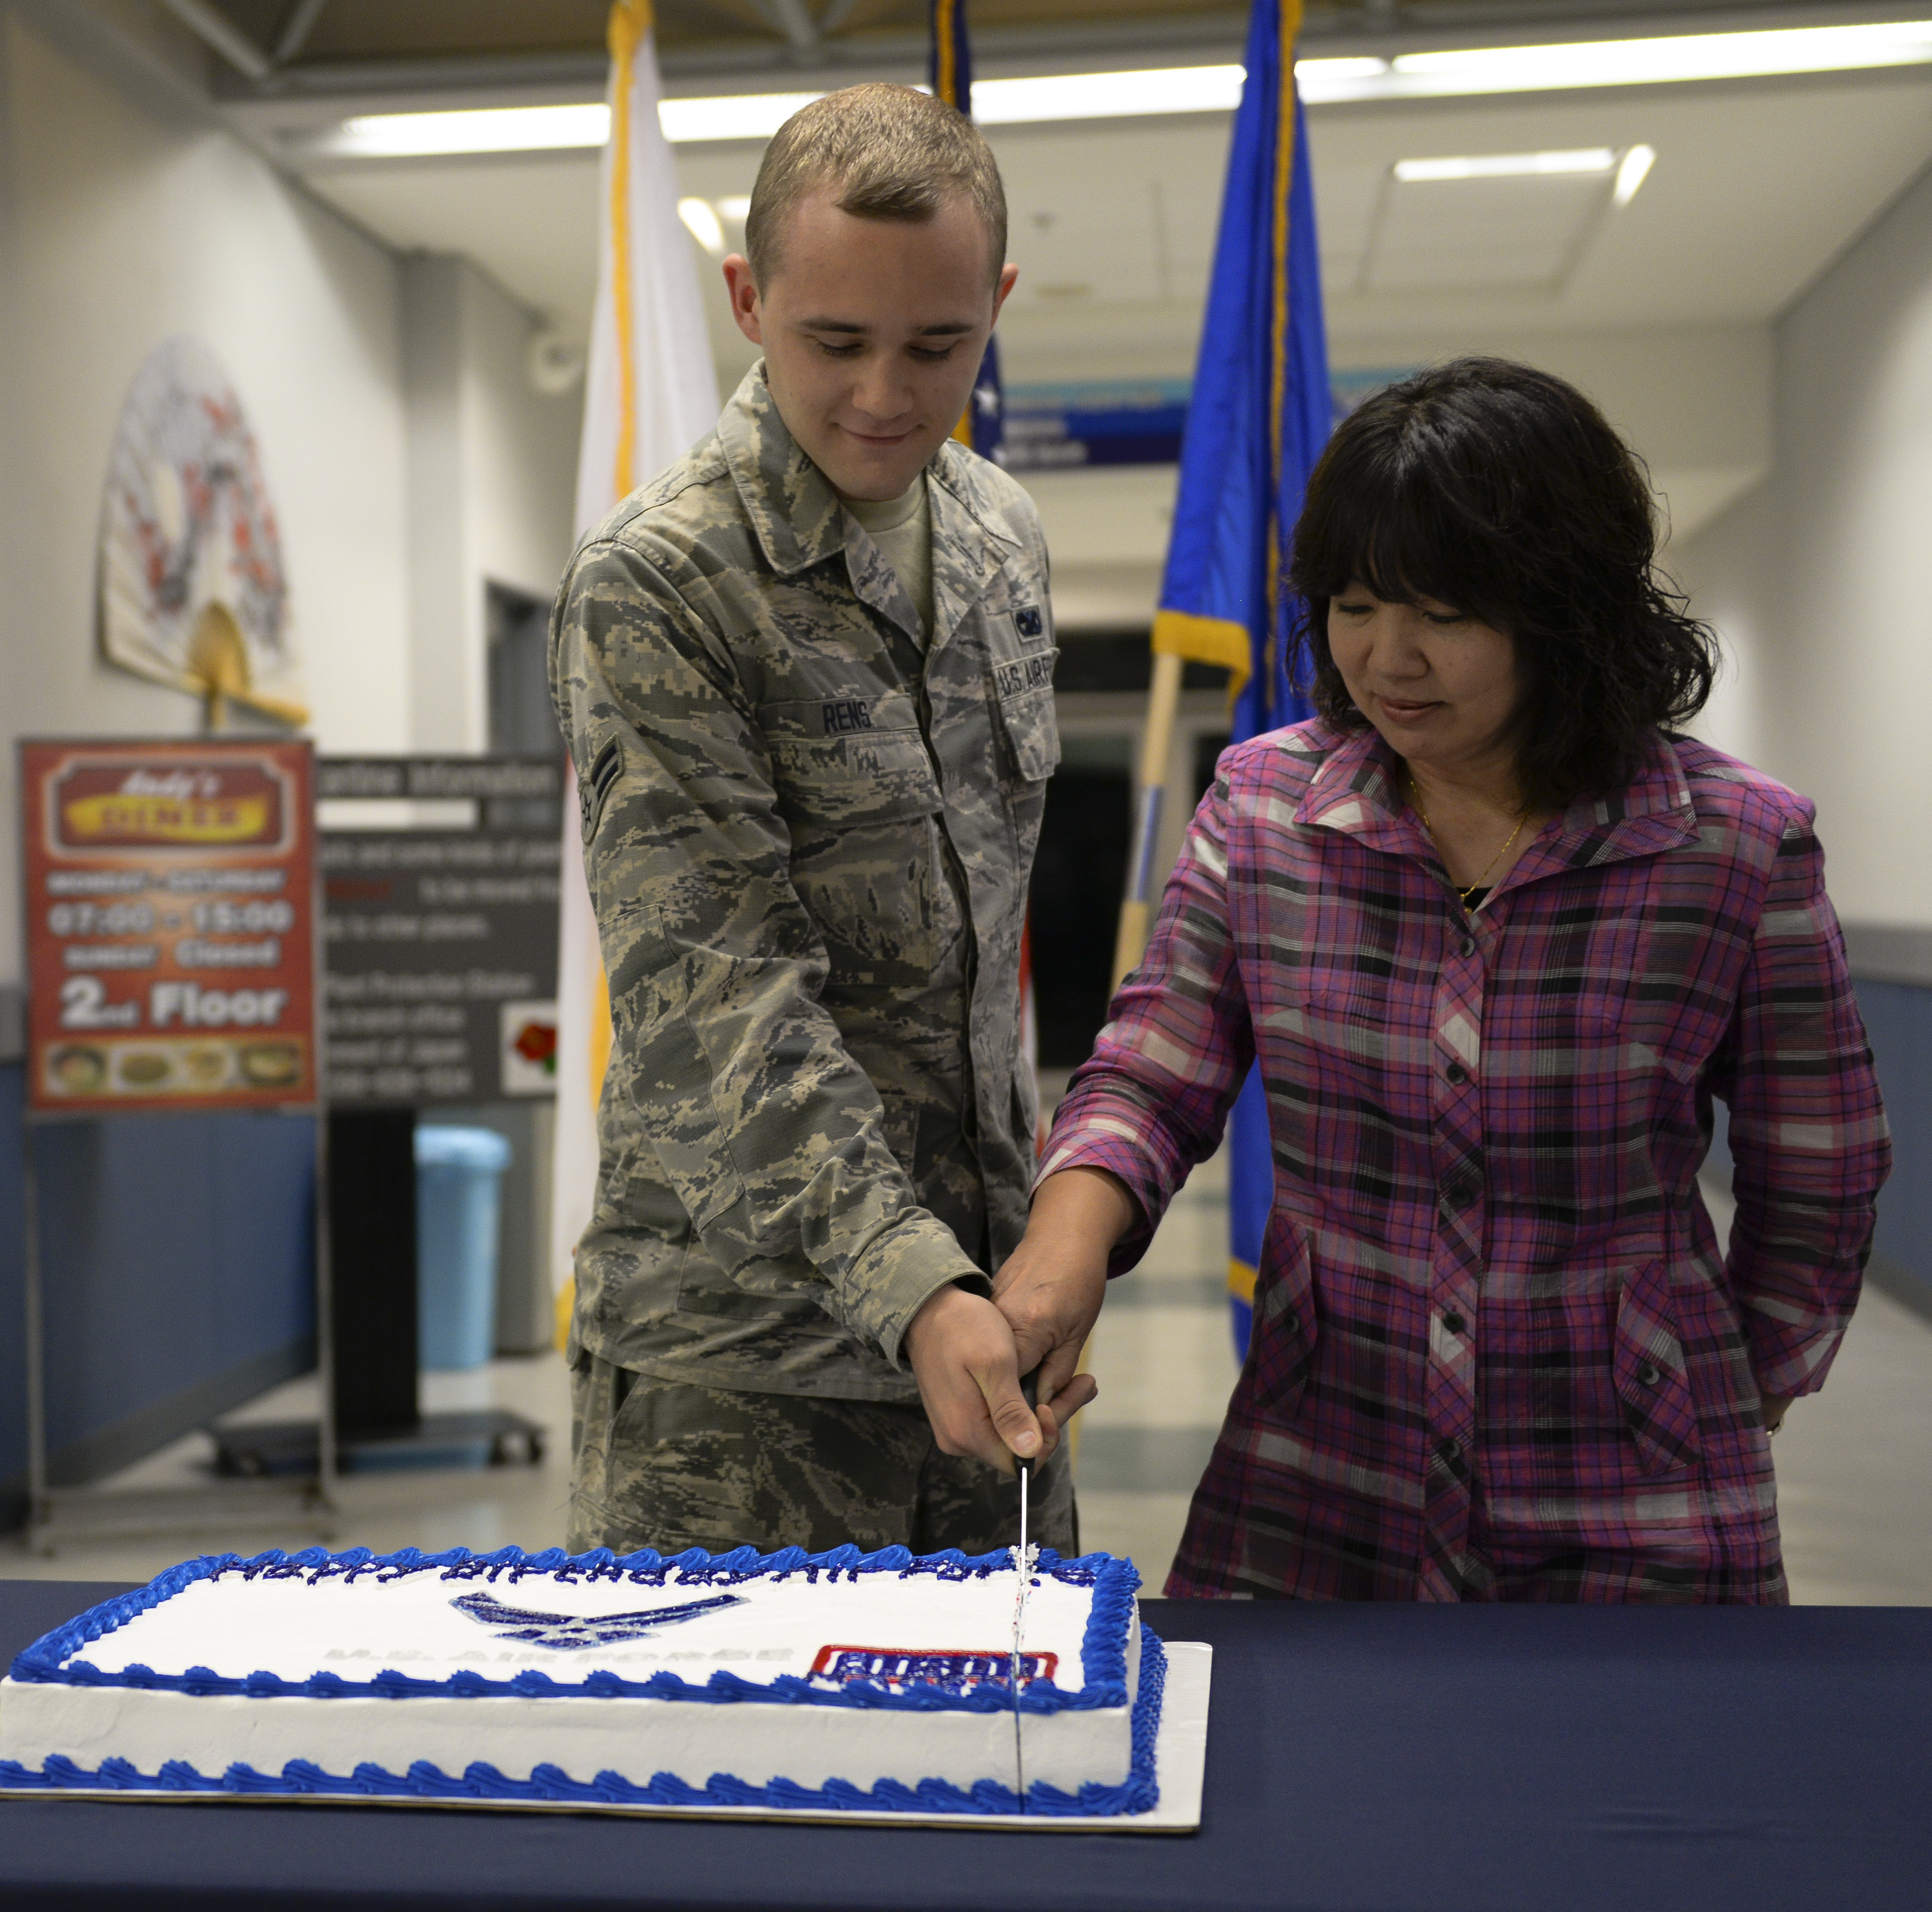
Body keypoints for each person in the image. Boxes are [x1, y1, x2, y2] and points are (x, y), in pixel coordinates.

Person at [1000, 357, 1888, 1601]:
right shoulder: (1265, 809)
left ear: (1564, 609)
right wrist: (1062, 1243)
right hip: (1317, 1468)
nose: (1387, 657)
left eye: (1445, 612)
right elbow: (1153, 1067)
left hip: (1631, 1494)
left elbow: (1821, 1159)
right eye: (1354, 604)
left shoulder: (1728, 844)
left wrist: (1736, 1382)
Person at [552, 82, 1099, 1561]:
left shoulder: (999, 535)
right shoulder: (660, 580)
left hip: (987, 1342)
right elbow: (717, 995)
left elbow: (981, 957)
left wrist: (1014, 1260)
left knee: (1006, 1773)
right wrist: (910, 1282)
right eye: (832, 342)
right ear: (745, 299)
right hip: (742, 1386)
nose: (883, 393)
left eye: (937, 346)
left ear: (994, 302)